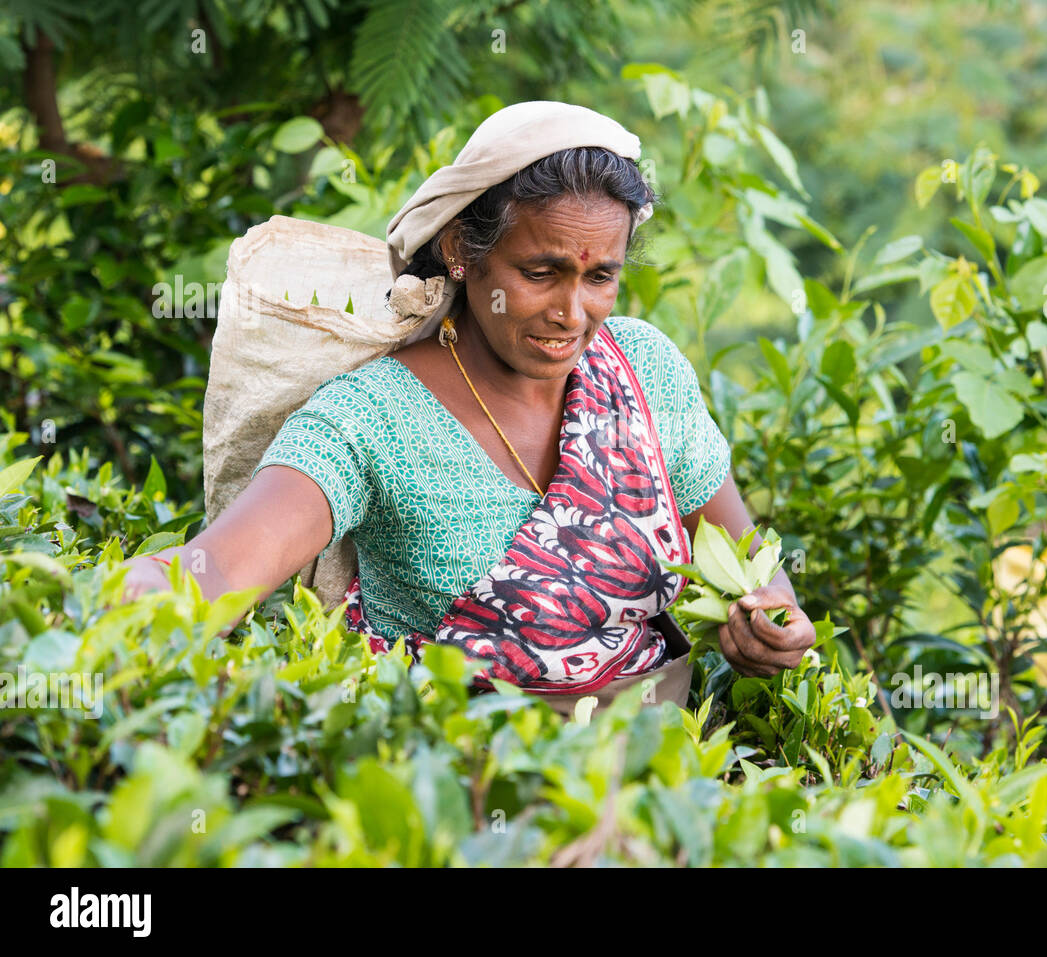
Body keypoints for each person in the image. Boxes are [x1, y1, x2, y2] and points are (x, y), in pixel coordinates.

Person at [122, 101, 816, 709]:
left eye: (600, 276)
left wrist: (771, 622)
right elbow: (214, 573)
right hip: (467, 796)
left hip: (662, 785)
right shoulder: (372, 418)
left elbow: (752, 564)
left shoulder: (645, 371)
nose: (572, 312)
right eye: (539, 272)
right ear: (461, 251)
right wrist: (111, 602)